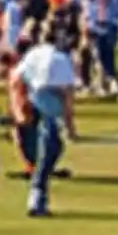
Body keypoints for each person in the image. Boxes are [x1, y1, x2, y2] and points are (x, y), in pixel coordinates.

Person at [9, 22, 78, 217]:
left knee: (45, 147)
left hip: (33, 99)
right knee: (52, 147)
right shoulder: (60, 58)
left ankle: (38, 184)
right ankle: (37, 193)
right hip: (48, 101)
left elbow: (16, 78)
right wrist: (70, 126)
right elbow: (66, 95)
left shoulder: (33, 54)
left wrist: (18, 107)